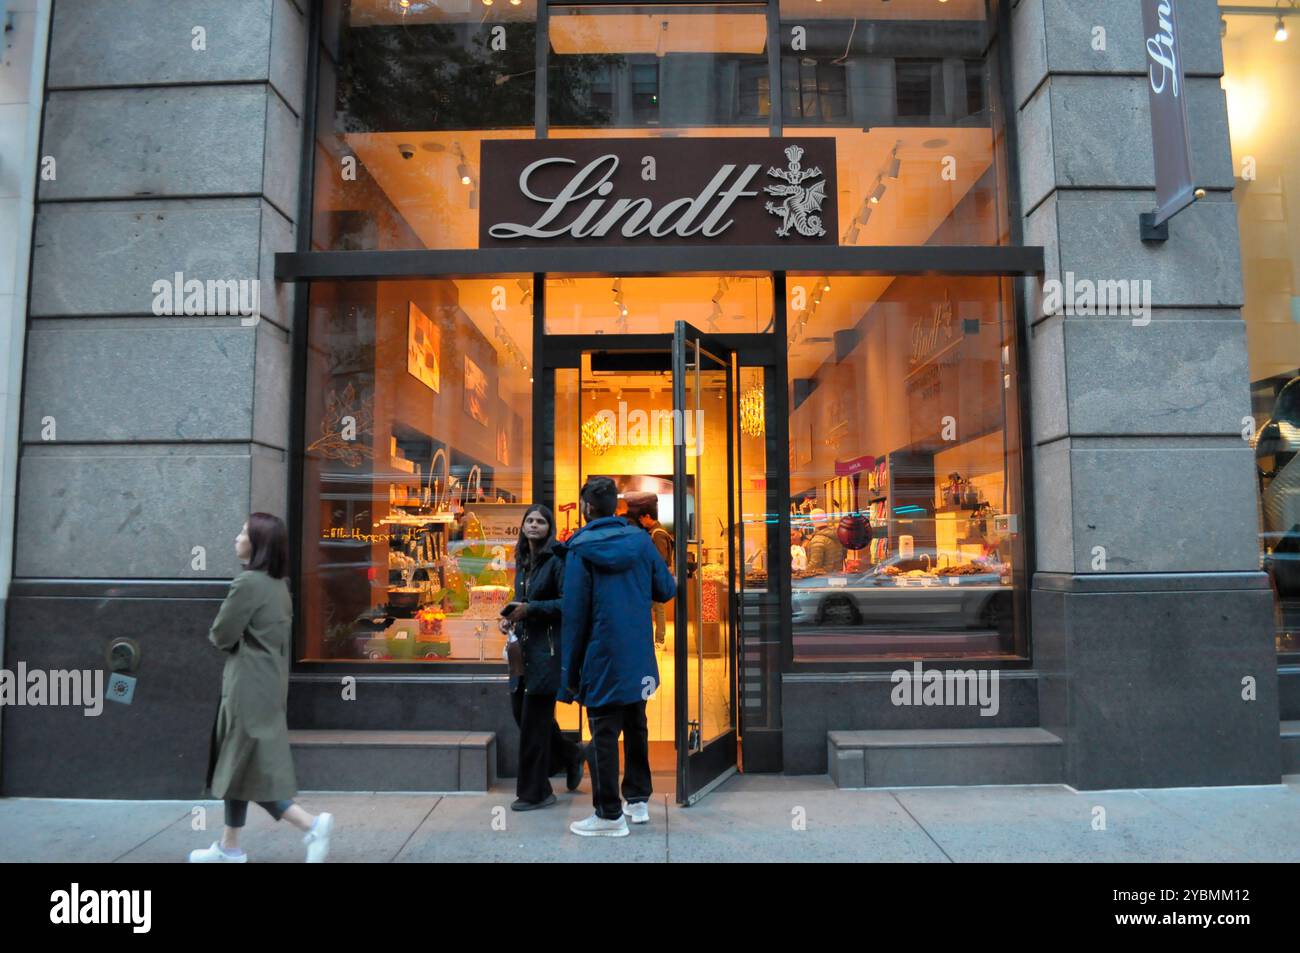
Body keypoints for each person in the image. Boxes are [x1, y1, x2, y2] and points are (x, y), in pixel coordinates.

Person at [192, 513, 334, 863]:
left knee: (244, 765)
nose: (236, 538)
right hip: (268, 684)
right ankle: (229, 847)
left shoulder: (248, 584)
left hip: (246, 685)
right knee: (239, 762)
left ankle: (310, 824)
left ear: (258, 544)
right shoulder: (277, 586)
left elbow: (221, 635)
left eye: (243, 532)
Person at [559, 477, 676, 836]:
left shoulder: (580, 549)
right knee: (636, 725)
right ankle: (637, 801)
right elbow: (666, 589)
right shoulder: (641, 541)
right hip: (637, 653)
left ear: (586, 507)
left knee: (604, 732)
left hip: (600, 655)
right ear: (616, 507)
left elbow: (575, 614)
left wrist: (570, 672)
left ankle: (609, 815)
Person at [501, 503, 585, 810]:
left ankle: (535, 793)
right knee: (521, 713)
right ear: (523, 526)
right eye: (530, 521)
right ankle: (570, 754)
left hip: (547, 652)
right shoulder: (523, 559)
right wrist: (510, 616)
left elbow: (568, 603)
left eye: (540, 521)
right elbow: (522, 599)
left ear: (549, 528)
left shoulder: (557, 559)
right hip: (523, 650)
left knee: (533, 724)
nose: (534, 525)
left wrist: (530, 610)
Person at [627, 492, 674, 648]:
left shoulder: (657, 534)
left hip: (655, 576)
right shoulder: (655, 532)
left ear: (648, 516)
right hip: (654, 576)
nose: (641, 522)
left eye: (641, 519)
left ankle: (659, 640)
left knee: (658, 608)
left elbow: (660, 558)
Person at [805, 508, 845, 575]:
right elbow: (844, 554)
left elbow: (815, 564)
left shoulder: (817, 540)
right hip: (837, 576)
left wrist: (803, 573)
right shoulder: (838, 536)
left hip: (823, 578)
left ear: (812, 522)